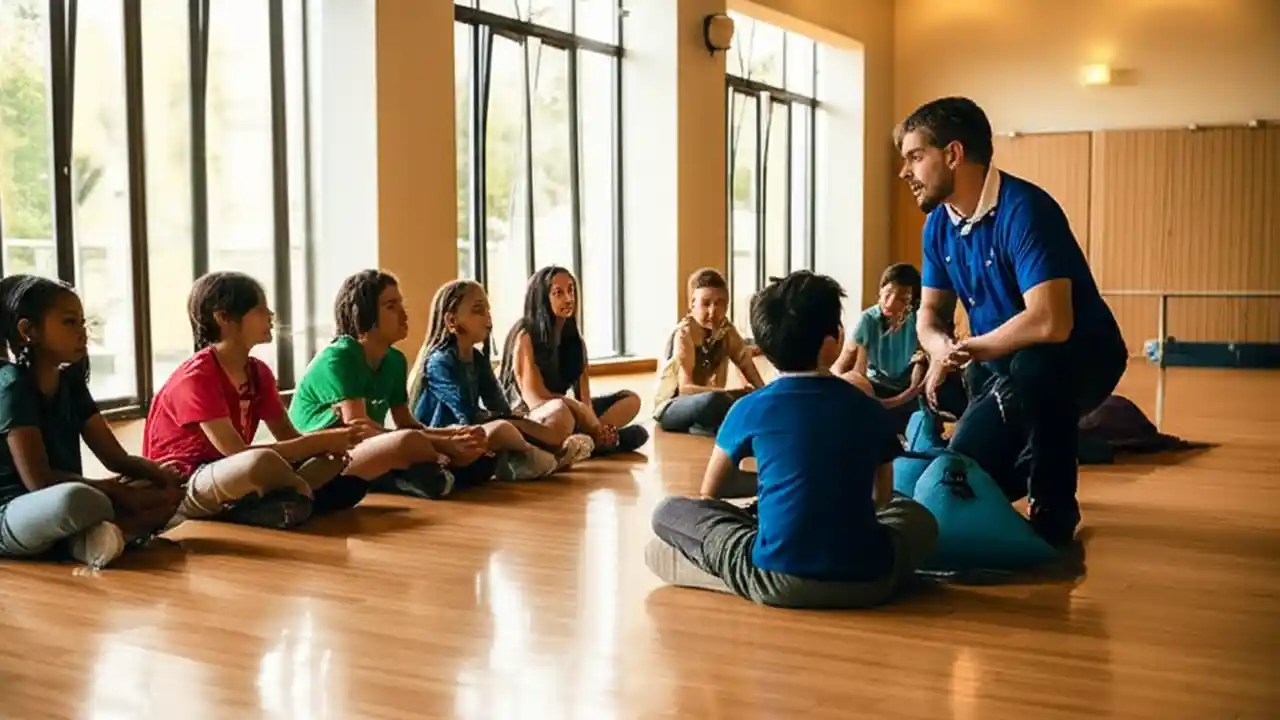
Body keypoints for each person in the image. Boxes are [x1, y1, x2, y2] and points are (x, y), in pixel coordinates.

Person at [898, 96, 1127, 545]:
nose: (905, 172)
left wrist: (968, 348)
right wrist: (941, 349)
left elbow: (1050, 322)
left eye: (915, 157)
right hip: (1002, 360)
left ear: (953, 154)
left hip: (1079, 355)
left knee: (1037, 369)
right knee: (967, 468)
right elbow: (930, 314)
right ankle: (1026, 451)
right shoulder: (938, 225)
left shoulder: (1027, 209)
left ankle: (1053, 510)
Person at [645, 271, 938, 609]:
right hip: (870, 579)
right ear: (835, 340)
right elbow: (880, 498)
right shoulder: (870, 409)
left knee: (667, 512)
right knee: (917, 517)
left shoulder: (748, 408)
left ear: (766, 347)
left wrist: (778, 485)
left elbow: (712, 492)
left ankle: (718, 569)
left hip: (775, 579)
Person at [144, 272, 371, 530]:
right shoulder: (197, 377)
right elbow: (237, 454)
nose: (271, 316)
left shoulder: (259, 372)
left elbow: (288, 436)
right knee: (258, 462)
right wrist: (319, 441)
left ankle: (279, 501)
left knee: (332, 461)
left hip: (234, 472)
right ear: (224, 318)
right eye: (261, 310)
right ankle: (291, 498)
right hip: (186, 482)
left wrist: (327, 444)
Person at [0, 276, 183, 568]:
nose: (82, 332)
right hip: (19, 510)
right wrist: (115, 491)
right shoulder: (12, 386)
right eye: (70, 323)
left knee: (152, 488)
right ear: (28, 331)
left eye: (83, 323)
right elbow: (39, 481)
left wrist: (160, 474)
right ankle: (117, 531)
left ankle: (96, 538)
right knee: (74, 500)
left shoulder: (70, 382)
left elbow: (115, 458)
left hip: (77, 499)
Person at [290, 270, 493, 497]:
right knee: (409, 442)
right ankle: (420, 474)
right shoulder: (340, 356)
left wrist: (452, 435)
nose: (403, 314)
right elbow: (358, 428)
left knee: (468, 444)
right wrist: (442, 444)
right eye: (391, 306)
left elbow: (406, 422)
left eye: (401, 304)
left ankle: (421, 474)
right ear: (363, 314)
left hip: (369, 446)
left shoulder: (395, 360)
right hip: (324, 459)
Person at [408, 279, 594, 480]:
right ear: (452, 321)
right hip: (447, 442)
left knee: (555, 414)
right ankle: (551, 458)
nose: (488, 317)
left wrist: (527, 425)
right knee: (503, 429)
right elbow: (467, 417)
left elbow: (500, 407)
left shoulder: (477, 359)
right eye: (479, 310)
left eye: (488, 309)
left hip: (475, 435)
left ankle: (542, 456)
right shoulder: (440, 361)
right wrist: (528, 429)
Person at [498, 266, 649, 455]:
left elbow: (584, 398)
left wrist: (590, 419)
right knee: (563, 413)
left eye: (570, 290)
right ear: (543, 298)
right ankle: (600, 441)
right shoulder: (525, 335)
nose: (568, 299)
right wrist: (579, 411)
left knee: (630, 400)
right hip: (534, 415)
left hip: (567, 411)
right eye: (558, 293)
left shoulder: (576, 341)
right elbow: (535, 399)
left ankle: (595, 440)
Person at [653, 268, 764, 436]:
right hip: (673, 407)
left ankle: (706, 426)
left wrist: (764, 394)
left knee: (746, 399)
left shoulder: (726, 331)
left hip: (712, 400)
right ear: (692, 304)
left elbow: (747, 366)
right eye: (706, 303)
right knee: (716, 401)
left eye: (719, 303)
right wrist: (731, 393)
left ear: (727, 305)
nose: (712, 312)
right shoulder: (684, 334)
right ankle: (709, 426)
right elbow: (685, 390)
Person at [832, 263, 928, 431]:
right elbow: (845, 366)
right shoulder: (868, 320)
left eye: (901, 299)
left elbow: (921, 359)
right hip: (876, 387)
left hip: (908, 388)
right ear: (880, 292)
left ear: (912, 304)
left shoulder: (917, 320)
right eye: (887, 294)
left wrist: (910, 392)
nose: (890, 303)